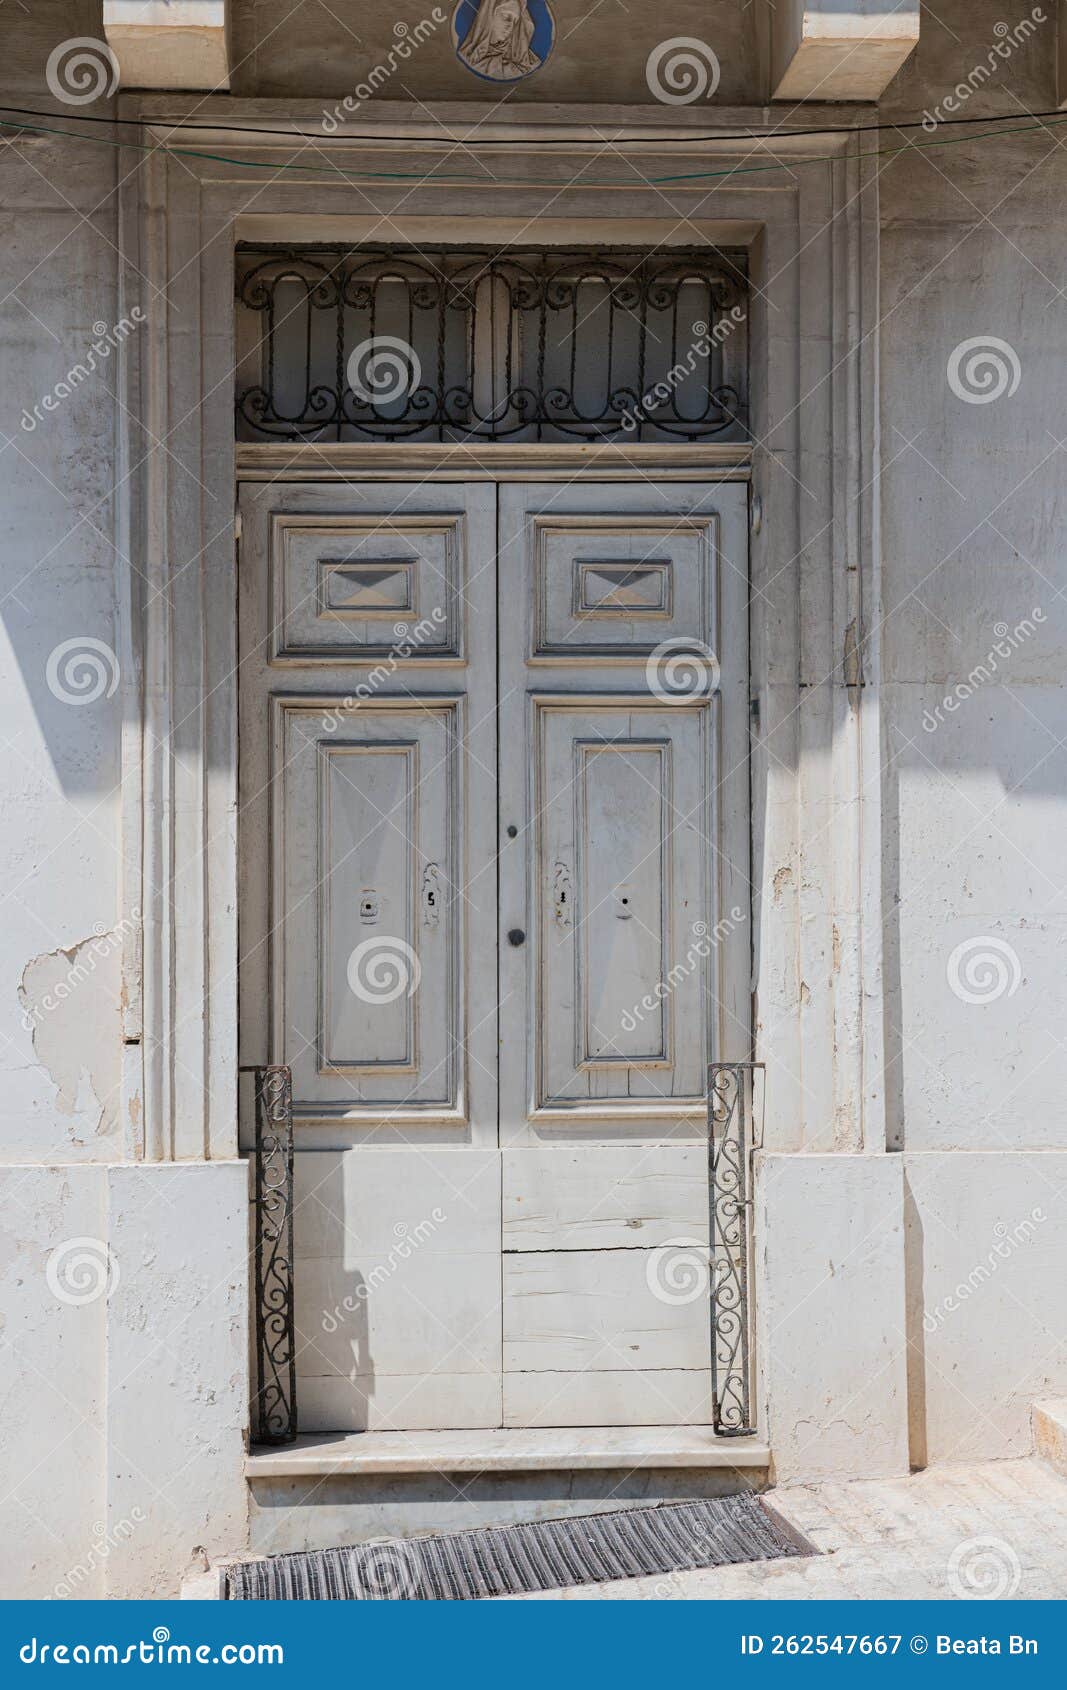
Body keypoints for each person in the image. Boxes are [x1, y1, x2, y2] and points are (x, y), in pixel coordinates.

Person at [457, 0, 542, 80]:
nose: (510, 26)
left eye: (515, 21)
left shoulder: (525, 61)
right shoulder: (469, 57)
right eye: (506, 17)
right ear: (489, 16)